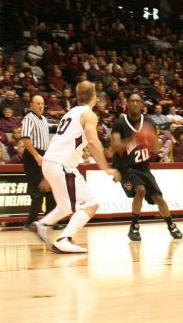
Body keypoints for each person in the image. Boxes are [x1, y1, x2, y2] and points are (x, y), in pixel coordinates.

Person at [30, 81, 120, 254]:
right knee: (91, 205)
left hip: (51, 161)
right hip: (61, 164)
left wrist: (48, 175)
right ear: (94, 96)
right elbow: (93, 141)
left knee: (66, 206)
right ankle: (64, 239)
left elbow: (61, 142)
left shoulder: (70, 113)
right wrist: (106, 168)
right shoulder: (89, 115)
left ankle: (42, 225)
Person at [111, 93, 183, 242]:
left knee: (158, 197)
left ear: (143, 105)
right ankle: (134, 227)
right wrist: (135, 139)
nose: (135, 104)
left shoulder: (149, 121)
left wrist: (151, 139)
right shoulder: (119, 122)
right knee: (140, 190)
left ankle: (171, 225)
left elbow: (156, 149)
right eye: (132, 101)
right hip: (125, 168)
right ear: (127, 104)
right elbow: (115, 146)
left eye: (138, 101)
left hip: (144, 167)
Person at [19, 94, 55, 229]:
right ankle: (30, 223)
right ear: (31, 106)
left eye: (42, 103)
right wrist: (36, 156)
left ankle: (49, 221)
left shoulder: (44, 119)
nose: (41, 106)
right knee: (38, 192)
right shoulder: (28, 119)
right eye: (38, 103)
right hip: (33, 156)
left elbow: (52, 127)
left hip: (44, 156)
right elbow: (25, 139)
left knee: (51, 189)